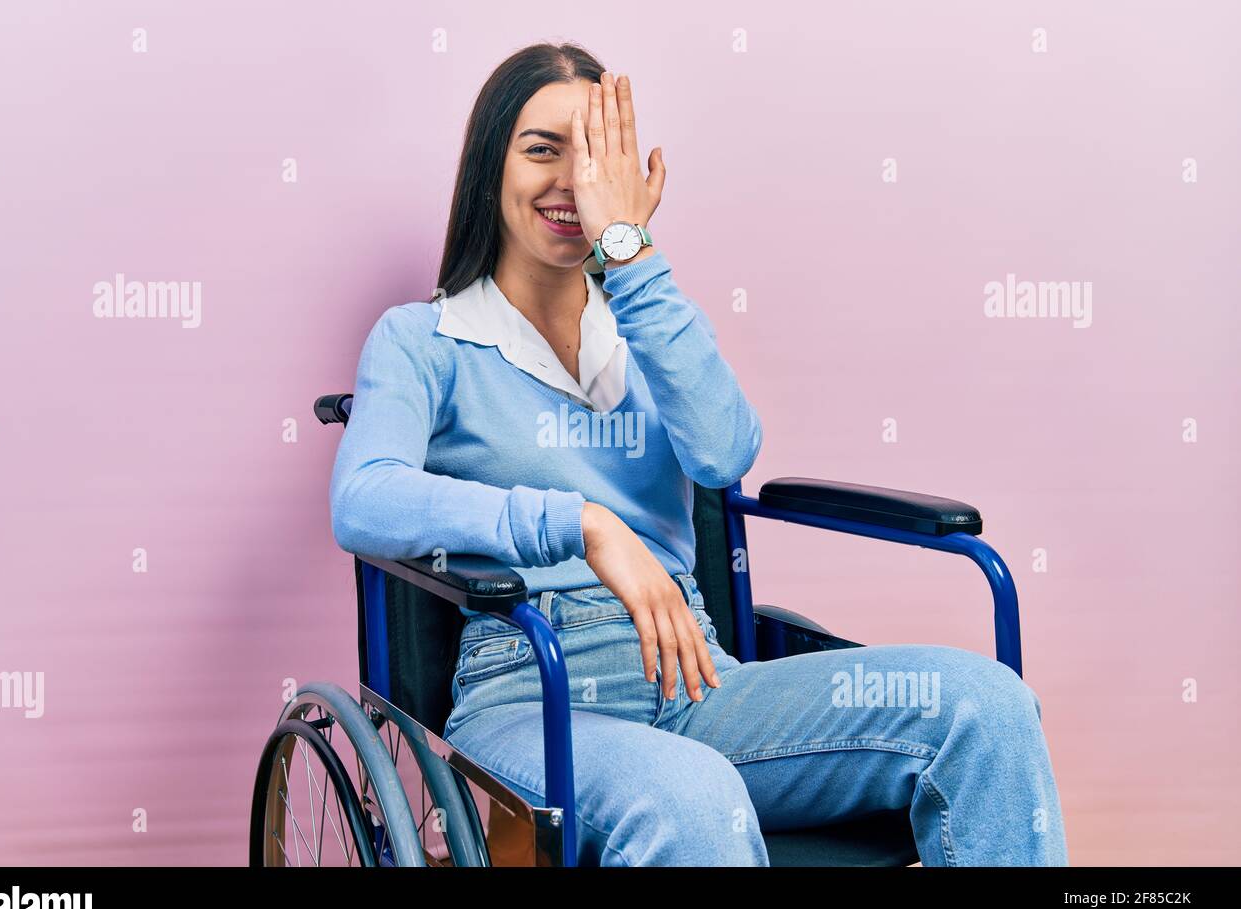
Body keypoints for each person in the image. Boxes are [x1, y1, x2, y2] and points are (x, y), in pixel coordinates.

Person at [329, 41, 1069, 866]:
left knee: (985, 707)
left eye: (595, 156)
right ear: (488, 169)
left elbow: (724, 453)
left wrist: (629, 253)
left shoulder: (647, 321)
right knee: (693, 796)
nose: (572, 181)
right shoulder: (424, 340)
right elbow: (363, 498)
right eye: (543, 150)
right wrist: (583, 524)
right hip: (529, 691)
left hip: (695, 679)